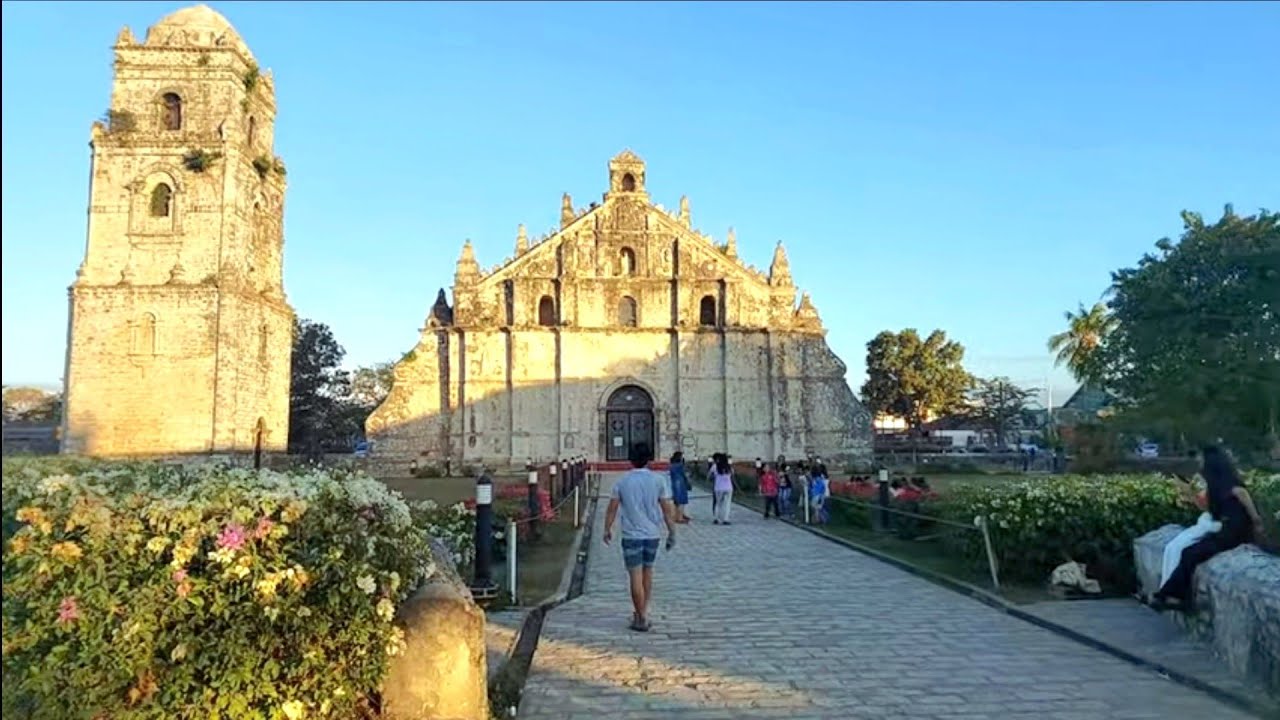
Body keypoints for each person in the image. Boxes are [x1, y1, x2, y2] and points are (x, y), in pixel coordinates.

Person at [1152, 446, 1267, 612]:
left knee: (1194, 553)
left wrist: (1256, 520)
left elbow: (1242, 494)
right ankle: (1172, 596)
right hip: (1225, 529)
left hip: (1235, 530)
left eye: (1202, 460)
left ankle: (1167, 596)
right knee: (1188, 552)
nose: (1200, 463)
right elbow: (1211, 510)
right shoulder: (1216, 485)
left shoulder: (1229, 483)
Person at [603, 442, 676, 632]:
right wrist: (672, 532)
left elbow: (612, 508)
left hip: (631, 535)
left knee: (635, 576)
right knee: (648, 572)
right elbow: (667, 509)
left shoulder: (622, 481)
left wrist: (607, 528)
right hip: (652, 535)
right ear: (649, 459)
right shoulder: (658, 480)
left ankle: (640, 617)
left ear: (631, 459)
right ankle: (643, 611)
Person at [711, 453, 735, 525]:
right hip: (728, 487)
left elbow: (709, 475)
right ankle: (726, 519)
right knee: (727, 503)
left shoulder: (715, 466)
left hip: (719, 487)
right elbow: (732, 474)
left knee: (718, 504)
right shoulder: (729, 467)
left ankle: (717, 519)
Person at [669, 451, 691, 523]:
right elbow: (685, 474)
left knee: (676, 501)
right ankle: (680, 517)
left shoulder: (671, 465)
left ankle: (676, 515)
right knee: (681, 501)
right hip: (681, 483)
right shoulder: (681, 465)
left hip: (673, 483)